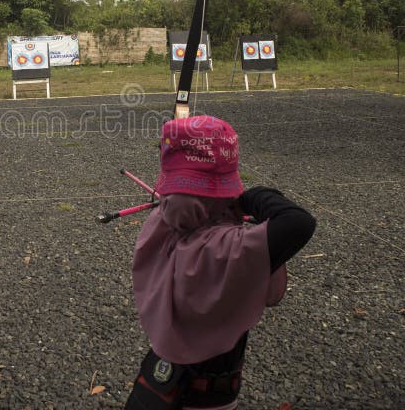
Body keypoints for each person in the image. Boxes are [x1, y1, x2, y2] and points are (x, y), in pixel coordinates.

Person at [125, 115, 316, 410]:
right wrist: (250, 198)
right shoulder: (231, 247)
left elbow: (182, 203)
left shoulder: (161, 224)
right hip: (211, 396)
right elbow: (299, 222)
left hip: (162, 377)